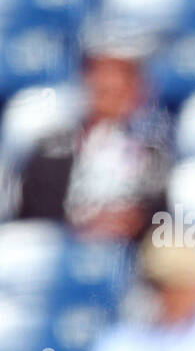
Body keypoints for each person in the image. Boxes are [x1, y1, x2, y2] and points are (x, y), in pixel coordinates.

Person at [16, 33, 170, 245]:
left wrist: (134, 221)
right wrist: (81, 226)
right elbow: (35, 217)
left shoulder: (156, 153)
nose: (112, 84)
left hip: (133, 257)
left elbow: (161, 218)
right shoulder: (52, 149)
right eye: (102, 78)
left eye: (124, 77)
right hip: (63, 254)